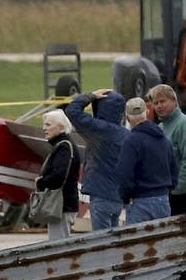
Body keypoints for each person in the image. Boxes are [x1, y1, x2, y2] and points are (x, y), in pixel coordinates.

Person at [65, 89, 129, 231]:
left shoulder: (98, 129)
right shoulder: (125, 133)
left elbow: (72, 111)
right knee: (113, 240)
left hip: (101, 195)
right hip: (117, 196)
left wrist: (90, 96)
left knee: (101, 241)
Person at [147, 84, 186, 230]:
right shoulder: (160, 129)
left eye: (163, 101)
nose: (159, 106)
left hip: (182, 194)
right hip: (165, 194)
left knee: (179, 240)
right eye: (156, 103)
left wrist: (178, 190)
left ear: (174, 101)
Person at [114, 96, 175, 224]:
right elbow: (175, 171)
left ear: (128, 118)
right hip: (163, 200)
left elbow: (124, 174)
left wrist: (125, 197)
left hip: (140, 201)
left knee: (138, 242)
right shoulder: (164, 140)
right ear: (147, 113)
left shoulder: (131, 141)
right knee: (161, 242)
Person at [34, 108, 81, 242]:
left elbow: (58, 177)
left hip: (62, 206)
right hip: (63, 205)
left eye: (48, 125)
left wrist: (40, 182)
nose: (44, 128)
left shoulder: (64, 147)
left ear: (61, 127)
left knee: (57, 245)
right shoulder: (63, 145)